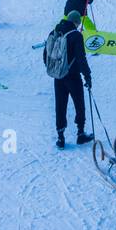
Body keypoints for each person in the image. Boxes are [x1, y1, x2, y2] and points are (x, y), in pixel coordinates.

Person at [44, 11, 93, 149]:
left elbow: (46, 53)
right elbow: (81, 57)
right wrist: (87, 76)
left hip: (58, 75)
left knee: (60, 105)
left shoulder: (55, 31)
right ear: (76, 22)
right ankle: (80, 133)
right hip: (72, 76)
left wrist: (54, 68)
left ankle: (60, 137)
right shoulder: (76, 35)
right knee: (79, 103)